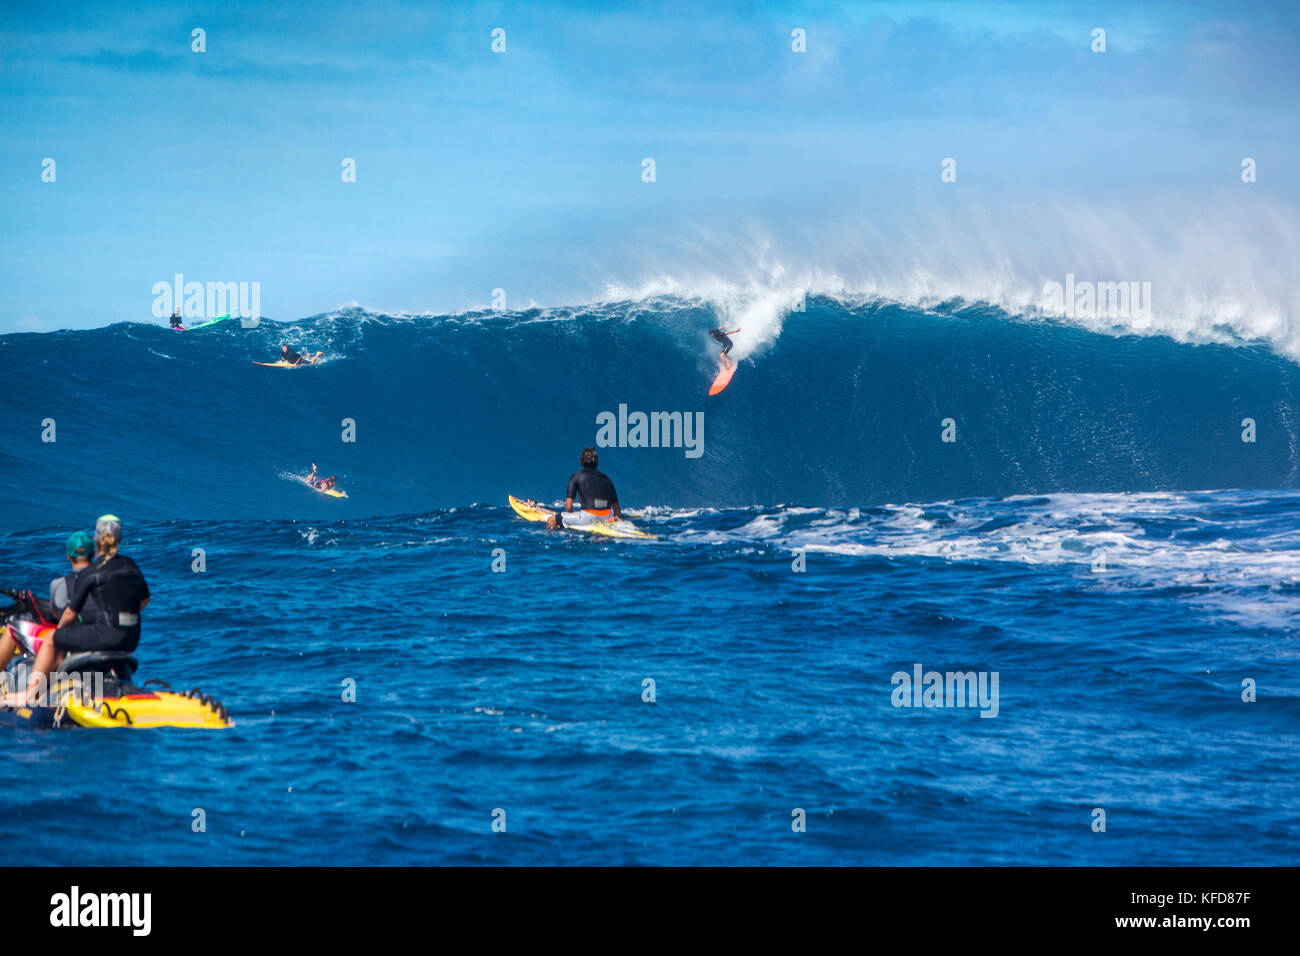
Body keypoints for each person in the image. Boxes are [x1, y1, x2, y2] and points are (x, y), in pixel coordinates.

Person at [1, 515, 150, 707]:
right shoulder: (131, 566)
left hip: (105, 637)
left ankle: (30, 694)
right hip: (130, 640)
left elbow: (70, 614)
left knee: (53, 638)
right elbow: (145, 599)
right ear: (119, 539)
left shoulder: (93, 573)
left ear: (97, 541)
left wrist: (60, 633)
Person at [546, 447, 621, 530]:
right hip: (607, 517)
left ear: (581, 462)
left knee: (551, 520)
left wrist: (568, 519)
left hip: (588, 518)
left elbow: (568, 505)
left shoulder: (576, 477)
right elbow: (617, 509)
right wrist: (616, 522)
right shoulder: (606, 479)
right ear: (596, 462)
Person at [50, 530, 100, 618]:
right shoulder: (105, 580)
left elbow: (56, 616)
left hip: (71, 629)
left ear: (68, 556)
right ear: (93, 554)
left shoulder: (58, 584)